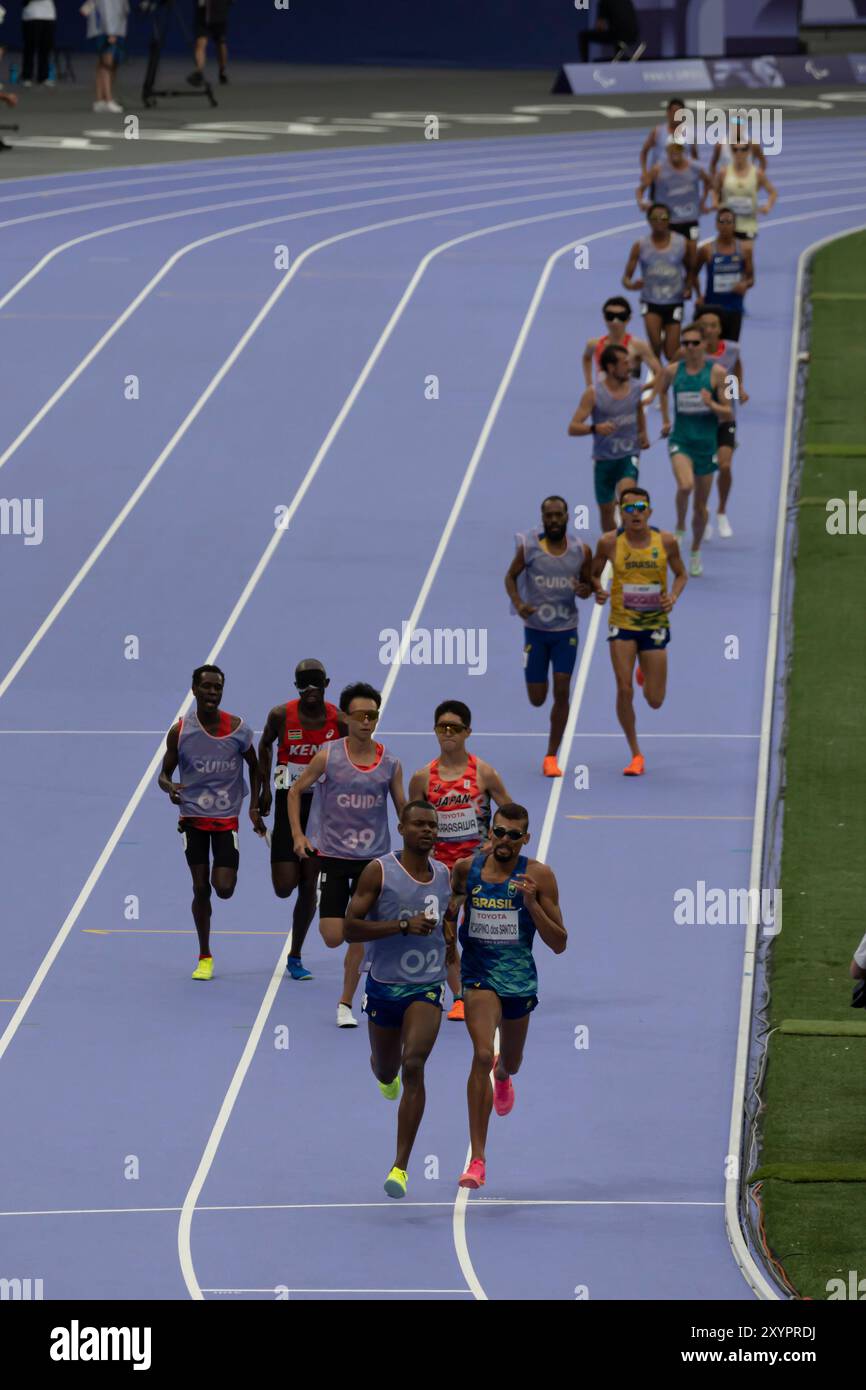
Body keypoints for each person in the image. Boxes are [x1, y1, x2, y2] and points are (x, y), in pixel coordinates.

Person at [446, 803, 567, 1190]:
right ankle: (477, 1159)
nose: (505, 841)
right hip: (478, 975)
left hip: (518, 979)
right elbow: (450, 909)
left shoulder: (539, 876)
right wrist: (447, 936)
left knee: (509, 1060)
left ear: (525, 839)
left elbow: (560, 943)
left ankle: (503, 1073)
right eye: (499, 832)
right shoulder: (467, 870)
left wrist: (532, 905)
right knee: (481, 1053)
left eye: (514, 835)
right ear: (491, 832)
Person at [344, 801, 452, 1199]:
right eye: (419, 824)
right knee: (386, 1068)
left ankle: (400, 1167)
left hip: (426, 985)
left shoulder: (444, 875)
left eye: (432, 825)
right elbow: (350, 930)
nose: (427, 830)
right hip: (385, 985)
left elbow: (448, 929)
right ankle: (383, 1075)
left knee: (414, 1064)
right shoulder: (379, 871)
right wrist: (402, 926)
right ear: (402, 827)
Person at [288, 681, 405, 1028]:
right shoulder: (328, 756)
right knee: (332, 935)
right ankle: (369, 954)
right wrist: (298, 835)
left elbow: (402, 809)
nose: (367, 722)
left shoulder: (390, 763)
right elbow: (295, 790)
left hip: (373, 862)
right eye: (360, 716)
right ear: (345, 717)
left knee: (354, 931)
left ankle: (346, 1003)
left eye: (372, 715)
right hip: (335, 859)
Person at [158, 665, 263, 980]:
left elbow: (255, 767)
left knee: (224, 888)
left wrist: (256, 802)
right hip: (193, 819)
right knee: (201, 888)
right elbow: (163, 774)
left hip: (226, 820)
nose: (212, 693)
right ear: (194, 689)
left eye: (217, 688)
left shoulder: (239, 729)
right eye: (206, 687)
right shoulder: (181, 731)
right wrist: (170, 787)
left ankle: (207, 943)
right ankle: (204, 956)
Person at [408, 701, 510, 1022]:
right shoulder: (423, 778)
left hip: (480, 869)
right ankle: (460, 995)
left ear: (468, 732)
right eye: (442, 727)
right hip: (441, 872)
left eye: (455, 727)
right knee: (445, 933)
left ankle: (490, 985)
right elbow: (413, 825)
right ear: (435, 731)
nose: (448, 733)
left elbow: (511, 816)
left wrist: (494, 846)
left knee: (482, 930)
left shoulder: (484, 773)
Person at [258, 659, 344, 981]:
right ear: (296, 685)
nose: (310, 688)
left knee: (308, 886)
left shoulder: (340, 720)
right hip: (287, 804)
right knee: (284, 887)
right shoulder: (281, 715)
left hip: (321, 811)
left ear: (326, 683)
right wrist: (262, 790)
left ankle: (295, 955)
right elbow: (264, 745)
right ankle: (284, 853)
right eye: (303, 682)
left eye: (315, 681)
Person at [591, 487, 687, 776]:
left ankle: (643, 671)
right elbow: (594, 572)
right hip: (622, 623)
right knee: (623, 688)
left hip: (654, 624)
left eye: (640, 507)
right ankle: (635, 754)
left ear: (650, 511)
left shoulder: (666, 541)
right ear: (620, 512)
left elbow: (681, 573)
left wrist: (673, 595)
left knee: (655, 700)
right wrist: (597, 588)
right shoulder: (609, 542)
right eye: (628, 508)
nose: (635, 513)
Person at [504, 496, 592, 779]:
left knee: (563, 690)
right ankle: (532, 672)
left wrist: (584, 590)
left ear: (567, 517)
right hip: (536, 632)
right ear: (543, 518)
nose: (554, 520)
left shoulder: (580, 550)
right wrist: (518, 604)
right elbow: (509, 577)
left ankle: (551, 755)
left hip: (566, 632)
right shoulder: (529, 547)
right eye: (549, 516)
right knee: (537, 698)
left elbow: (588, 585)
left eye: (558, 515)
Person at [658, 325, 733, 574]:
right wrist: (666, 420)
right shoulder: (672, 371)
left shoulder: (718, 374)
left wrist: (710, 403)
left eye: (694, 343)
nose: (689, 347)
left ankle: (695, 550)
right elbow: (662, 391)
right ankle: (679, 526)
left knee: (700, 507)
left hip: (706, 446)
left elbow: (728, 412)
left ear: (703, 346)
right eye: (685, 343)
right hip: (681, 441)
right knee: (685, 486)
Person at [569, 343, 650, 534]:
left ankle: (627, 542)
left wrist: (642, 434)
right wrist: (595, 428)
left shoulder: (636, 387)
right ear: (611, 368)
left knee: (628, 498)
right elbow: (573, 427)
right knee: (606, 512)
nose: (630, 367)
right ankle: (612, 545)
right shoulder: (594, 394)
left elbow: (638, 409)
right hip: (604, 459)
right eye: (625, 363)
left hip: (628, 455)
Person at [689, 307, 747, 539]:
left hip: (724, 417)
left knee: (724, 466)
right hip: (699, 420)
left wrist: (738, 390)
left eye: (713, 326)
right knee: (701, 475)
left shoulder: (731, 350)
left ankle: (722, 510)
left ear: (720, 329)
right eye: (704, 326)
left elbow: (737, 369)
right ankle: (702, 511)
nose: (709, 330)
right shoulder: (691, 352)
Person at [623, 203, 695, 364]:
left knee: (671, 352)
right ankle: (659, 381)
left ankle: (669, 376)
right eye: (655, 218)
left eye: (663, 218)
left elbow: (691, 269)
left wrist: (689, 287)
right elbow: (626, 279)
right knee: (655, 347)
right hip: (650, 302)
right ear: (649, 220)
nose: (659, 221)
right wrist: (632, 285)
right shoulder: (640, 245)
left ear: (669, 220)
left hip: (675, 301)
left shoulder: (681, 243)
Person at [581, 295, 665, 412]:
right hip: (603, 404)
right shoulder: (594, 344)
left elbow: (660, 373)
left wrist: (648, 392)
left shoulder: (637, 346)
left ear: (628, 319)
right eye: (610, 316)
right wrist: (589, 385)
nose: (615, 321)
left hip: (628, 405)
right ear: (604, 318)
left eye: (621, 317)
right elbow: (586, 358)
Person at [694, 206, 754, 344]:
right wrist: (698, 296)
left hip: (734, 307)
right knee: (708, 347)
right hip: (711, 307)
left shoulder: (745, 249)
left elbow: (751, 278)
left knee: (730, 348)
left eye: (729, 222)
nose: (725, 225)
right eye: (722, 221)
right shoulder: (706, 250)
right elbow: (692, 274)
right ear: (716, 224)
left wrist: (744, 284)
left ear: (734, 225)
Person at [638, 138, 713, 242]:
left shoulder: (695, 168)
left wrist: (703, 201)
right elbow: (640, 189)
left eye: (678, 148)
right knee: (670, 252)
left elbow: (709, 182)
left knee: (693, 251)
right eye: (671, 148)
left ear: (683, 150)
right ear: (667, 150)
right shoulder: (658, 169)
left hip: (691, 219)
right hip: (669, 222)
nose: (675, 151)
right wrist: (641, 202)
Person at [716, 141, 777, 241]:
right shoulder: (724, 172)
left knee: (746, 251)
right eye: (735, 149)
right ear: (732, 152)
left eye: (743, 149)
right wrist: (717, 203)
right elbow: (715, 190)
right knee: (730, 254)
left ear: (749, 152)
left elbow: (772, 192)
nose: (739, 152)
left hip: (748, 224)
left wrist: (767, 207)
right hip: (728, 224)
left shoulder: (757, 173)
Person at [80, 0, 128, 114]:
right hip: (106, 30)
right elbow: (105, 11)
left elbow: (122, 10)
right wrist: (110, 32)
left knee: (107, 63)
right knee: (107, 64)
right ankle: (108, 100)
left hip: (116, 30)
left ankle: (100, 100)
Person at [640, 98, 699, 173]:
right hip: (659, 179)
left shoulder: (689, 134)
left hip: (680, 178)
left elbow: (695, 158)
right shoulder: (658, 132)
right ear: (668, 112)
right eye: (674, 112)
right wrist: (644, 172)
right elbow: (644, 152)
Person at [189, 0, 231, 87]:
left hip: (218, 15)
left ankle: (222, 71)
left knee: (220, 44)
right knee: (200, 43)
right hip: (202, 15)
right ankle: (199, 72)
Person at [21, 0, 57, 87]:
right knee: (30, 48)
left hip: (49, 16)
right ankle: (27, 77)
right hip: (32, 16)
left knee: (45, 48)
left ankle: (43, 77)